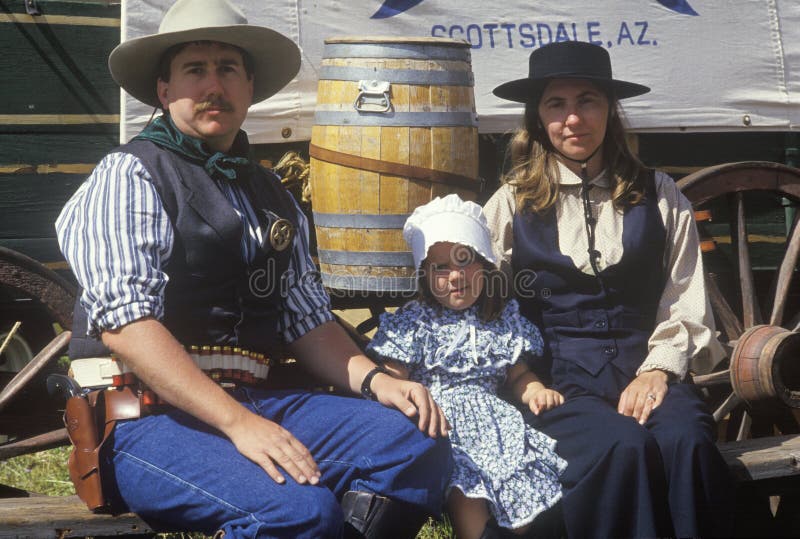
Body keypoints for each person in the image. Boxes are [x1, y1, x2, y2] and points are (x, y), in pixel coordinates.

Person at [54, 0, 453, 537]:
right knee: (298, 513)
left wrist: (374, 379)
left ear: (249, 87)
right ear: (165, 91)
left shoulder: (272, 193)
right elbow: (128, 330)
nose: (213, 86)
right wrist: (239, 425)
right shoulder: (129, 176)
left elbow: (307, 320)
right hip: (148, 421)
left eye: (228, 70)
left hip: (260, 401)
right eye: (195, 71)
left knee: (414, 445)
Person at [484, 40, 734, 538]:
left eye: (587, 101)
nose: (573, 119)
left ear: (610, 111)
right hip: (559, 384)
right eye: (557, 104)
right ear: (538, 119)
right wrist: (523, 381)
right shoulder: (511, 204)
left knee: (688, 441)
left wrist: (660, 371)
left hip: (648, 368)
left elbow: (685, 298)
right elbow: (483, 311)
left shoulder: (660, 193)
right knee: (623, 446)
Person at [366, 194, 568, 539]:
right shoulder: (416, 321)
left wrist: (533, 390)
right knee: (466, 489)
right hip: (440, 426)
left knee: (520, 479)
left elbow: (517, 373)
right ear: (425, 274)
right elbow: (393, 378)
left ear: (486, 264)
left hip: (496, 426)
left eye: (466, 262)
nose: (455, 276)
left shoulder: (500, 318)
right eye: (441, 268)